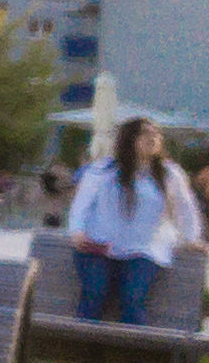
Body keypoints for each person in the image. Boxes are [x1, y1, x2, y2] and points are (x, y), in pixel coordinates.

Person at [67, 115, 201, 325]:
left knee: (132, 298)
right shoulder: (103, 170)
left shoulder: (169, 174)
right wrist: (77, 232)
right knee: (94, 294)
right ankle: (80, 348)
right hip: (99, 246)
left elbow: (186, 208)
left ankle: (137, 354)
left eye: (156, 134)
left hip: (145, 250)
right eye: (145, 134)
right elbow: (81, 205)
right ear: (129, 139)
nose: (152, 138)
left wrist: (191, 238)